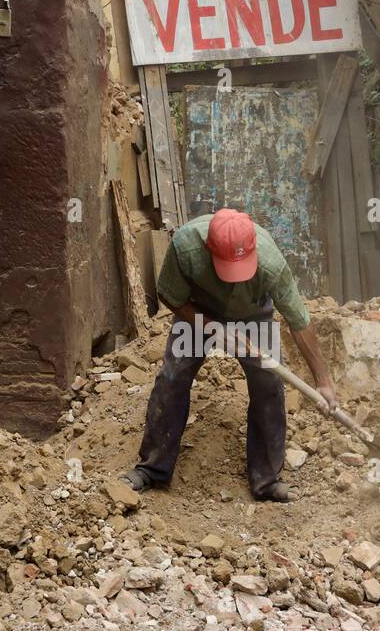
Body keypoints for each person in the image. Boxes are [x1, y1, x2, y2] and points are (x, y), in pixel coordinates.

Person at [121, 208, 339, 502]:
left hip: (252, 315)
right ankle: (152, 469)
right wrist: (211, 327)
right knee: (172, 378)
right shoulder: (186, 246)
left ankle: (266, 480)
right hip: (198, 312)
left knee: (269, 387)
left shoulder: (270, 263)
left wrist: (323, 381)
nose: (235, 278)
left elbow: (298, 321)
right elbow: (169, 295)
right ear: (209, 250)